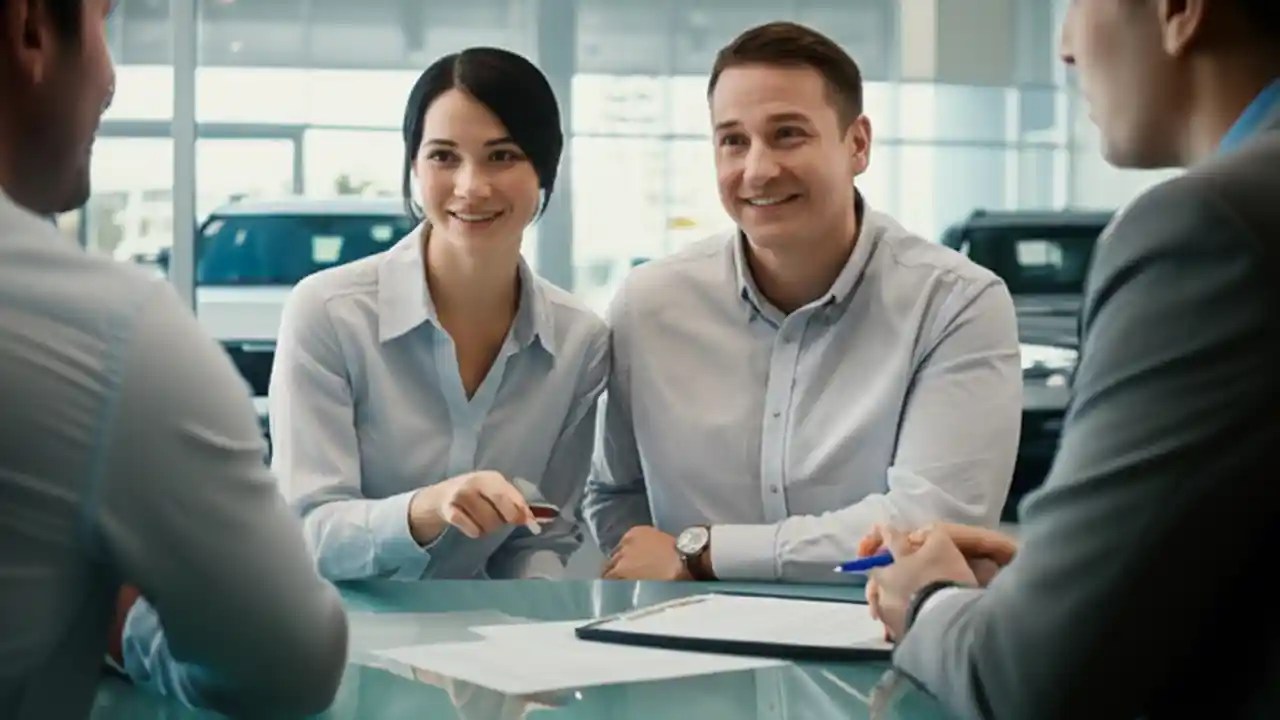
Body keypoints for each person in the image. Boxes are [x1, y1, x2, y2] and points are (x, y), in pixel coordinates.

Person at [859, 0, 1280, 717]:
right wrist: (1075, 585)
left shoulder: (1208, 224)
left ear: (1178, 11)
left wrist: (926, 601)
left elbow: (1028, 679)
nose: (1063, 48)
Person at [0, 0, 348, 717]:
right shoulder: (109, 333)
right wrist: (123, 618)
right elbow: (288, 667)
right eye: (104, 21)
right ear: (31, 26)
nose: (110, 75)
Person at [583, 21, 1023, 584]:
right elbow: (616, 493)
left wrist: (701, 554)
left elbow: (926, 526)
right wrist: (660, 575)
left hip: (874, 641)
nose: (758, 169)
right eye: (733, 140)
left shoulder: (956, 303)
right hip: (684, 641)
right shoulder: (648, 305)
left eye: (788, 134)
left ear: (857, 144)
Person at [269, 47, 609, 581]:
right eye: (444, 157)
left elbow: (543, 537)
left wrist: (545, 632)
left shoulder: (579, 342)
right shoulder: (329, 313)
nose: (471, 186)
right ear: (413, 165)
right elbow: (307, 533)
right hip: (334, 633)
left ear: (544, 169)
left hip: (485, 645)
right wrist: (423, 511)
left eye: (502, 156)